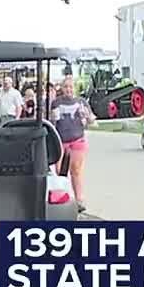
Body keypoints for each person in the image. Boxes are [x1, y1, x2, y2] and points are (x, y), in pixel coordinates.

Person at [50, 75, 95, 212]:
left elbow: (92, 120)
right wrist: (53, 118)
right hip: (61, 140)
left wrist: (87, 116)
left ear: (74, 88)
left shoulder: (81, 102)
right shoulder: (56, 103)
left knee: (75, 170)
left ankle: (79, 199)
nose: (68, 89)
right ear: (62, 89)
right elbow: (51, 122)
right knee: (60, 171)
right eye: (65, 87)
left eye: (70, 87)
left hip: (77, 139)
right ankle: (64, 198)